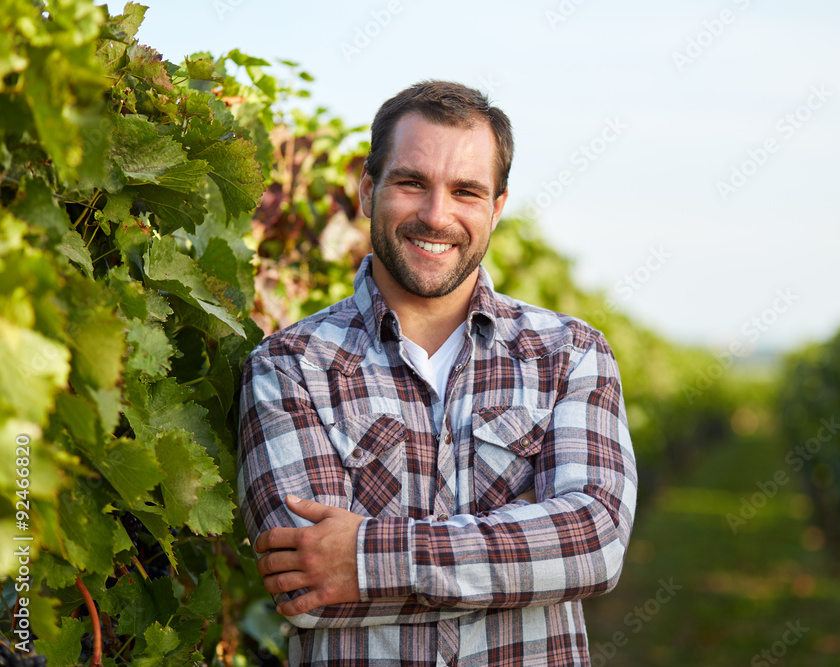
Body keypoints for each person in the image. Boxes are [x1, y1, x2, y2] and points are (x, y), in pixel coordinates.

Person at [237, 80, 637, 666]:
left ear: (496, 209)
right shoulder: (287, 368)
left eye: (466, 191)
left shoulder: (570, 355)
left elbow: (593, 545)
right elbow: (309, 590)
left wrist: (367, 558)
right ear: (369, 189)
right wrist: (527, 558)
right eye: (411, 182)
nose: (436, 214)